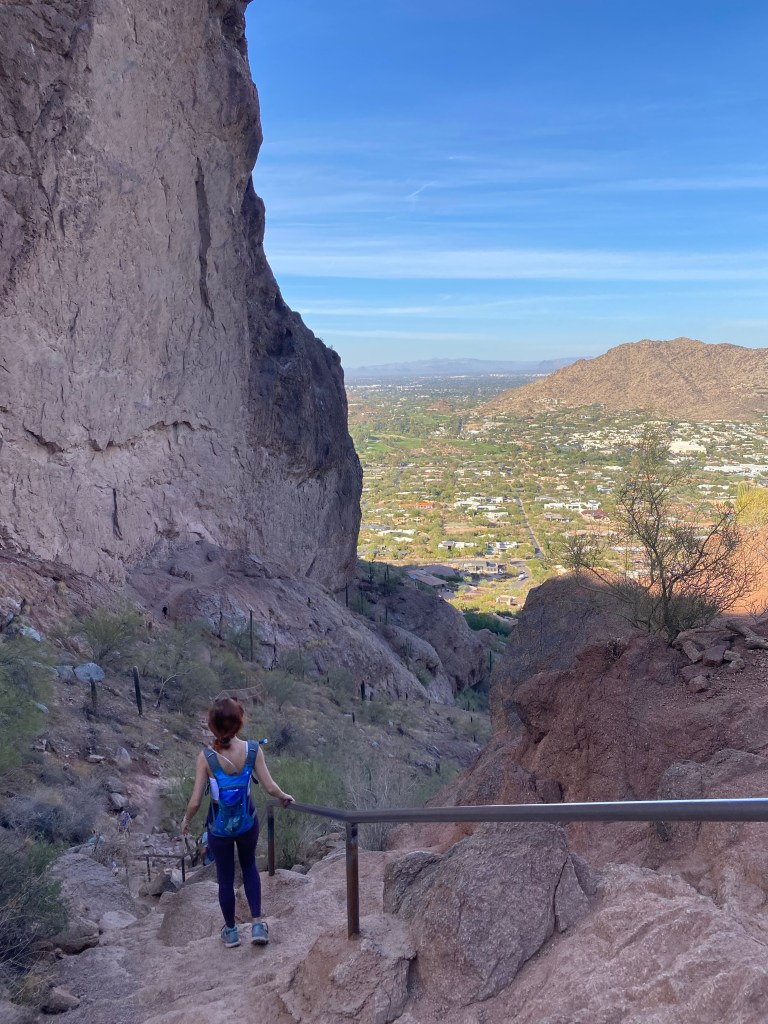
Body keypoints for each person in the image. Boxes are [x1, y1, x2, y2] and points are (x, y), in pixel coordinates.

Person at [181, 697, 294, 948]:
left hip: (219, 827)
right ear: (239, 722)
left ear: (212, 726)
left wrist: (186, 820)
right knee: (249, 866)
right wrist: (283, 796)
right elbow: (270, 787)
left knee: (225, 877)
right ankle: (257, 926)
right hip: (246, 822)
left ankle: (231, 932)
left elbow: (196, 801)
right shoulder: (253, 750)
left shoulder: (206, 757)